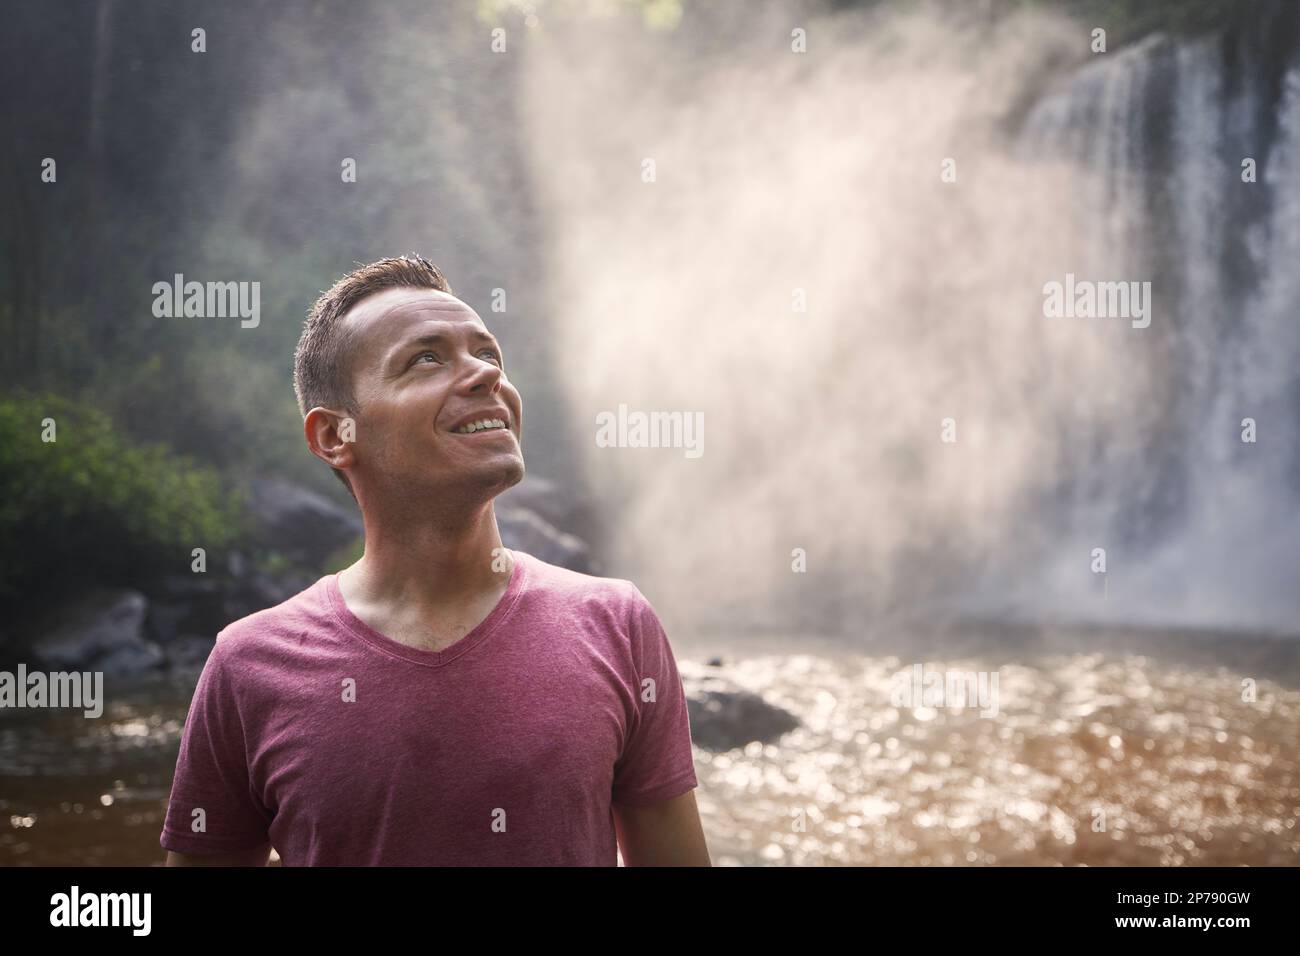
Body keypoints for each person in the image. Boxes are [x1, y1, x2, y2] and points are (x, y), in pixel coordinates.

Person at [161, 254, 710, 866]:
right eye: (427, 358)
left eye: (489, 354)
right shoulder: (248, 666)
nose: (484, 376)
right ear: (334, 436)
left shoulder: (619, 625)